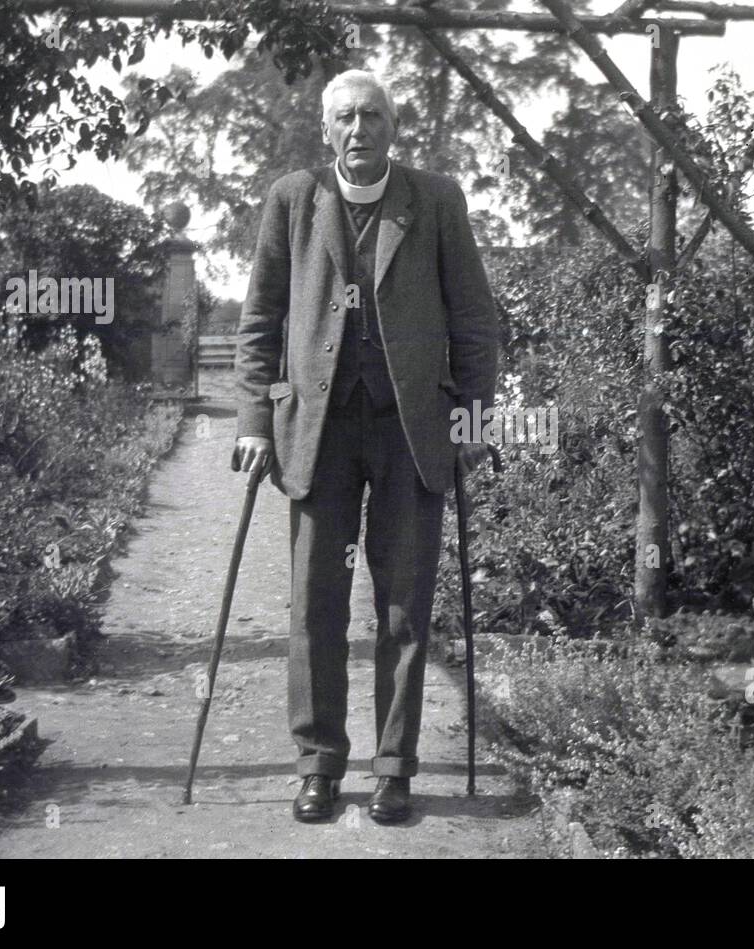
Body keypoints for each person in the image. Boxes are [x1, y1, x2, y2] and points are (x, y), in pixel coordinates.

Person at [231, 69, 499, 824]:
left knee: (405, 606)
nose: (360, 130)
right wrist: (255, 423)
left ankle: (393, 769)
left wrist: (473, 421)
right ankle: (317, 764)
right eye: (346, 117)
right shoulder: (293, 199)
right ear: (327, 129)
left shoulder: (435, 199)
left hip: (412, 429)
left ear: (393, 126)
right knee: (316, 604)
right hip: (317, 431)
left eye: (373, 116)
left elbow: (475, 320)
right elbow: (260, 324)